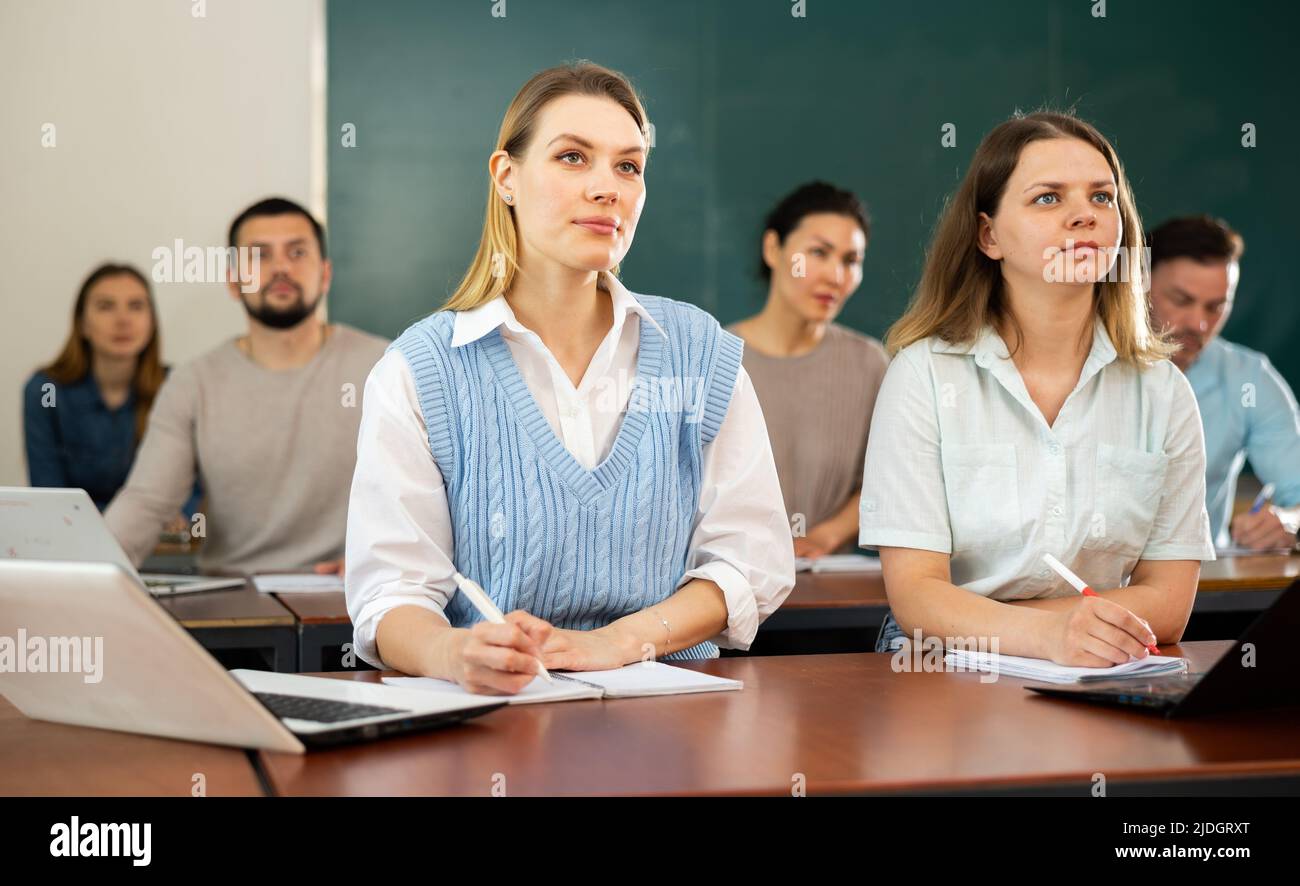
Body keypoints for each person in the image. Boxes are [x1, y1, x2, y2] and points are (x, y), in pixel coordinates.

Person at [345, 61, 794, 693]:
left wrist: (611, 644)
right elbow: (390, 593)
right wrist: (455, 652)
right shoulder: (418, 371)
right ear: (507, 177)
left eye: (629, 166)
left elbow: (754, 563)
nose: (607, 188)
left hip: (673, 721)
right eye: (573, 158)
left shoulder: (701, 353)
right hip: (496, 720)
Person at [859, 111, 1214, 666]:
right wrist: (1051, 634)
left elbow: (1168, 602)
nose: (1084, 217)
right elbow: (918, 597)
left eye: (1102, 198)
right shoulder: (925, 374)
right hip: (945, 668)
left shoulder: (1162, 390)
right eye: (1049, 198)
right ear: (989, 235)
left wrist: (1067, 632)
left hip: (1099, 663)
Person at [104, 197, 388, 574]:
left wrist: (382, 564)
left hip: (353, 603)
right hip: (237, 606)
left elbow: (427, 501)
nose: (281, 268)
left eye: (297, 252)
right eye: (259, 256)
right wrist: (82, 583)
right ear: (234, 282)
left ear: (325, 274)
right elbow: (145, 502)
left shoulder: (384, 367)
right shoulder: (193, 383)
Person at [727, 181, 887, 558]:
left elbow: (892, 479)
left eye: (851, 261)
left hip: (830, 591)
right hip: (725, 589)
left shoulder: (869, 365)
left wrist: (824, 538)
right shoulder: (717, 359)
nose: (835, 276)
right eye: (818, 252)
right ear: (773, 249)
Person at [1146, 215, 1300, 550]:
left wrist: (1289, 522)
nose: (1199, 324)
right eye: (1181, 300)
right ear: (1138, 285)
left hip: (1208, 590)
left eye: (1216, 306)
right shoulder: (1082, 364)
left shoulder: (1249, 380)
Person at [24, 263, 201, 523]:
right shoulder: (44, 391)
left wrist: (177, 518)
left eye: (136, 306)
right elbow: (49, 496)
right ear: (82, 323)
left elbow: (191, 489)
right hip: (78, 539)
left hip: (161, 544)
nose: (123, 320)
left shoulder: (180, 387)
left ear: (152, 322)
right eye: (106, 306)